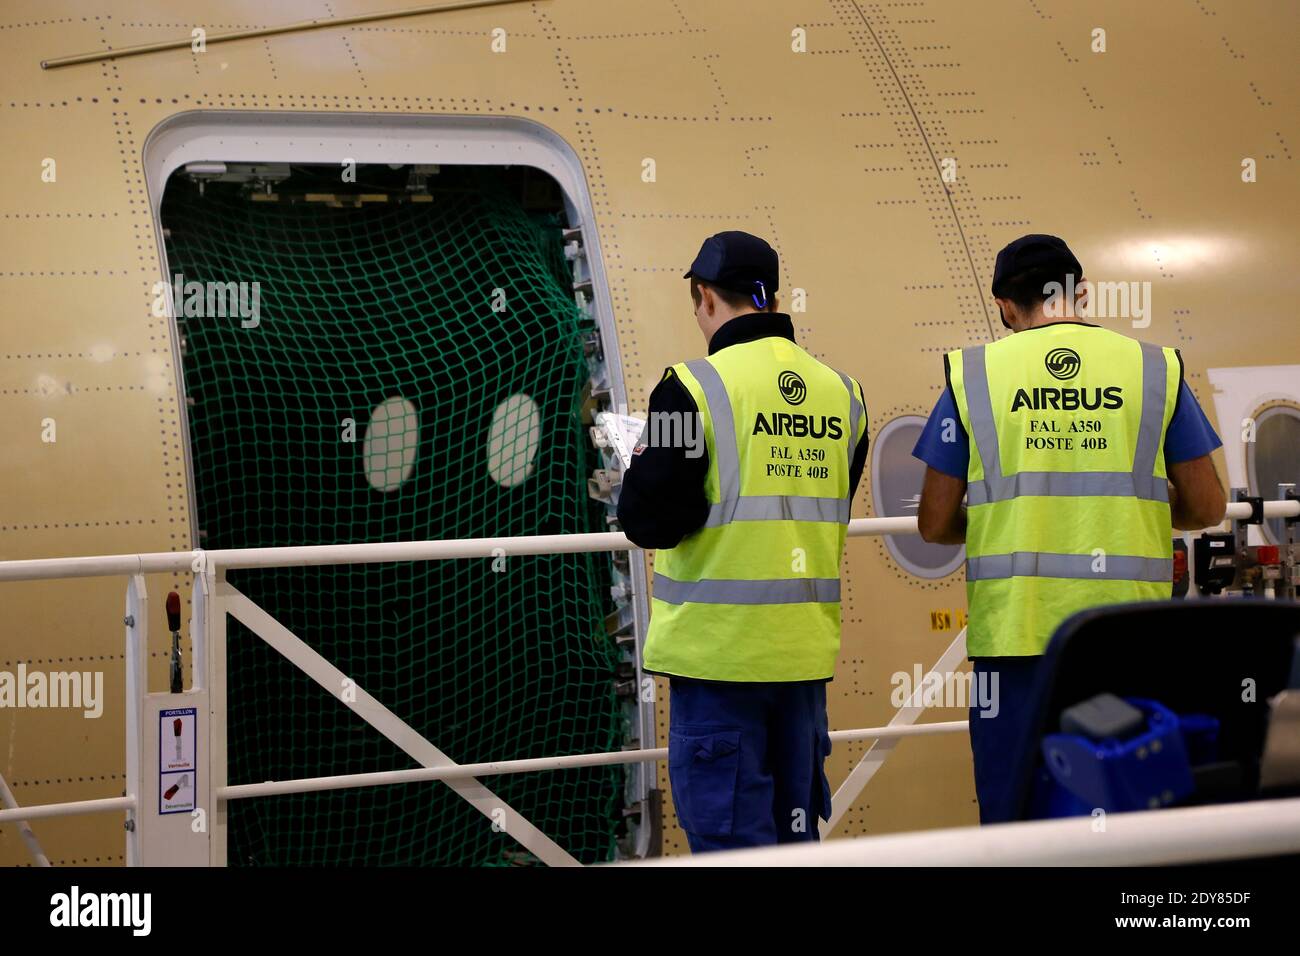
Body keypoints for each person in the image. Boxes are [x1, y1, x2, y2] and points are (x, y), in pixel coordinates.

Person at [912, 234, 1226, 823]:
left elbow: (933, 523)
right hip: (1127, 637)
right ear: (1079, 293)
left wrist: (1006, 514)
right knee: (1133, 810)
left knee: (1016, 821)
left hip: (1015, 642)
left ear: (1005, 305)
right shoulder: (1152, 369)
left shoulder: (973, 374)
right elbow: (1208, 506)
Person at [617, 231, 868, 851]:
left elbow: (648, 521)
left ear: (704, 298)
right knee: (794, 841)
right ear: (771, 296)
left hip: (719, 664)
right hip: (802, 665)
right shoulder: (845, 394)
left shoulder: (689, 388)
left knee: (730, 846)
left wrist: (640, 467)